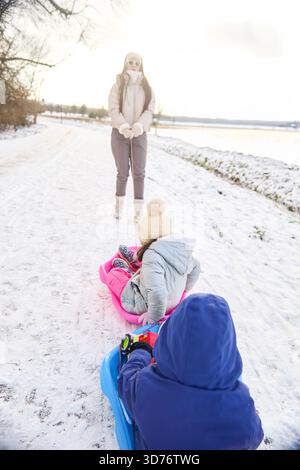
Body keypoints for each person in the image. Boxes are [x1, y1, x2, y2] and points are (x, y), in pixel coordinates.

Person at [118, 293, 264, 450]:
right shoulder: (242, 410)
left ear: (169, 335)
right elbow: (255, 436)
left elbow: (125, 380)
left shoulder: (146, 387)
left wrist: (141, 351)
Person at [106, 198, 201, 324]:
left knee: (113, 275)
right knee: (152, 269)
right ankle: (135, 260)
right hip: (174, 298)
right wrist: (184, 288)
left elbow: (157, 292)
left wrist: (153, 315)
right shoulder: (180, 250)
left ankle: (125, 271)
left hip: (148, 304)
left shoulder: (151, 255)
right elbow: (196, 267)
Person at [108, 52, 155, 222]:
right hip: (119, 133)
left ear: (141, 65)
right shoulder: (117, 86)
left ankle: (137, 212)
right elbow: (113, 109)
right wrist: (122, 126)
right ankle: (119, 208)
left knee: (139, 172)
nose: (133, 64)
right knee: (122, 172)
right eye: (130, 61)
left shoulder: (147, 88)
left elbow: (149, 110)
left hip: (139, 135)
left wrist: (139, 126)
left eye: (137, 62)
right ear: (125, 63)